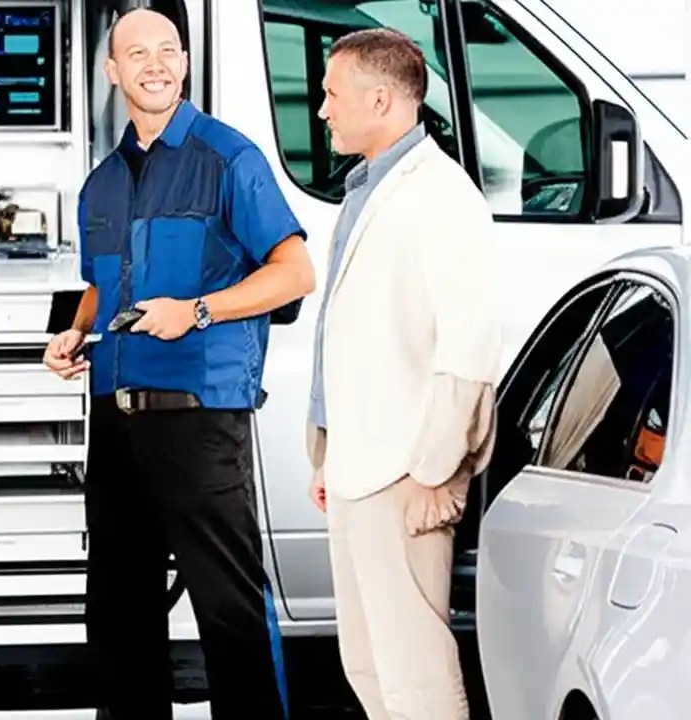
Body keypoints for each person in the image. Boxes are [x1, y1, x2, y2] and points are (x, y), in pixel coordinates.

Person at [42, 8, 314, 719]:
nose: (154, 64)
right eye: (138, 53)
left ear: (185, 64)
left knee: (228, 612)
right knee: (119, 614)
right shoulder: (99, 184)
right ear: (113, 71)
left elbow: (293, 273)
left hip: (199, 420)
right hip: (116, 420)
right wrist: (71, 334)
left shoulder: (229, 158)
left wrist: (196, 311)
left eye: (168, 50)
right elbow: (103, 285)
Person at [303, 28, 501, 720]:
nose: (322, 110)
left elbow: (469, 347)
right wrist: (328, 450)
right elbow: (347, 332)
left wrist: (434, 471)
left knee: (414, 672)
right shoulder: (366, 191)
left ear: (380, 98)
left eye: (331, 94)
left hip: (405, 475)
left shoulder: (443, 198)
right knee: (366, 667)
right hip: (361, 466)